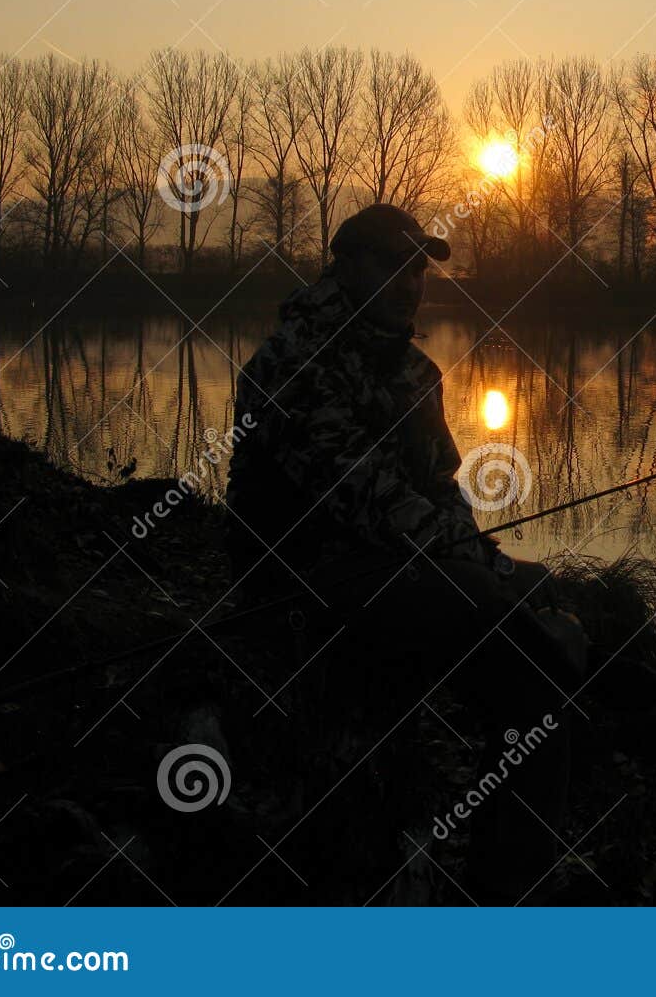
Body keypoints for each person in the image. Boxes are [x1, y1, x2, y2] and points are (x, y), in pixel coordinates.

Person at [226, 203, 586, 903]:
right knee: (496, 606)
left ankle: (513, 887)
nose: (410, 283)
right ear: (347, 265)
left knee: (535, 666)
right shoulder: (293, 362)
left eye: (417, 269)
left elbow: (440, 493)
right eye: (393, 265)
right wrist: (491, 577)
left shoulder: (415, 374)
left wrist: (487, 562)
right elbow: (367, 499)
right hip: (301, 579)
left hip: (402, 574)